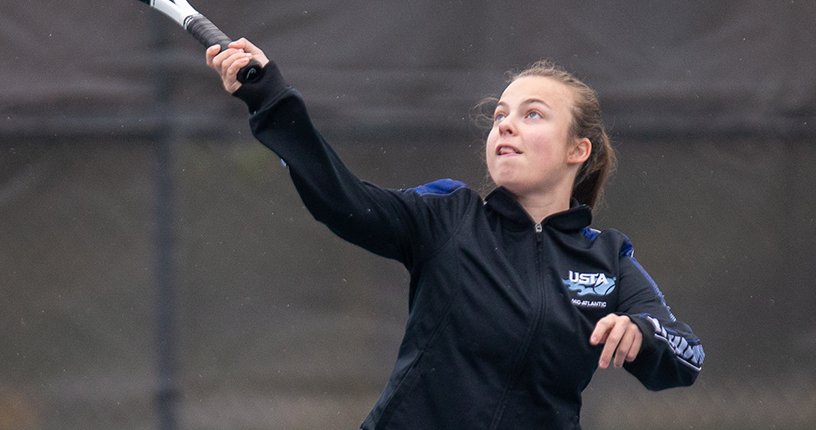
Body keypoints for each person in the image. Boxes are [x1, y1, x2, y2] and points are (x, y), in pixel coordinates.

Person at [207, 40, 704, 430]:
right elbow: (343, 201)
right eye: (500, 116)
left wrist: (643, 333)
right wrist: (271, 99)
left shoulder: (608, 258)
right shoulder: (447, 217)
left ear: (579, 150)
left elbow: (688, 356)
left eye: (531, 114)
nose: (506, 125)